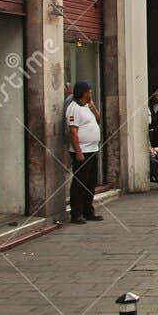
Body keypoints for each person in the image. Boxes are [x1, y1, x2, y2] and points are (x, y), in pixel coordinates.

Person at [66, 81, 104, 223]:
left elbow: (98, 120)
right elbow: (73, 132)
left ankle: (88, 211)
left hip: (93, 149)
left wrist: (93, 107)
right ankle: (76, 214)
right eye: (89, 91)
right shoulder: (73, 108)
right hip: (83, 151)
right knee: (80, 183)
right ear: (83, 93)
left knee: (90, 183)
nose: (91, 93)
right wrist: (78, 152)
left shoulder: (86, 106)